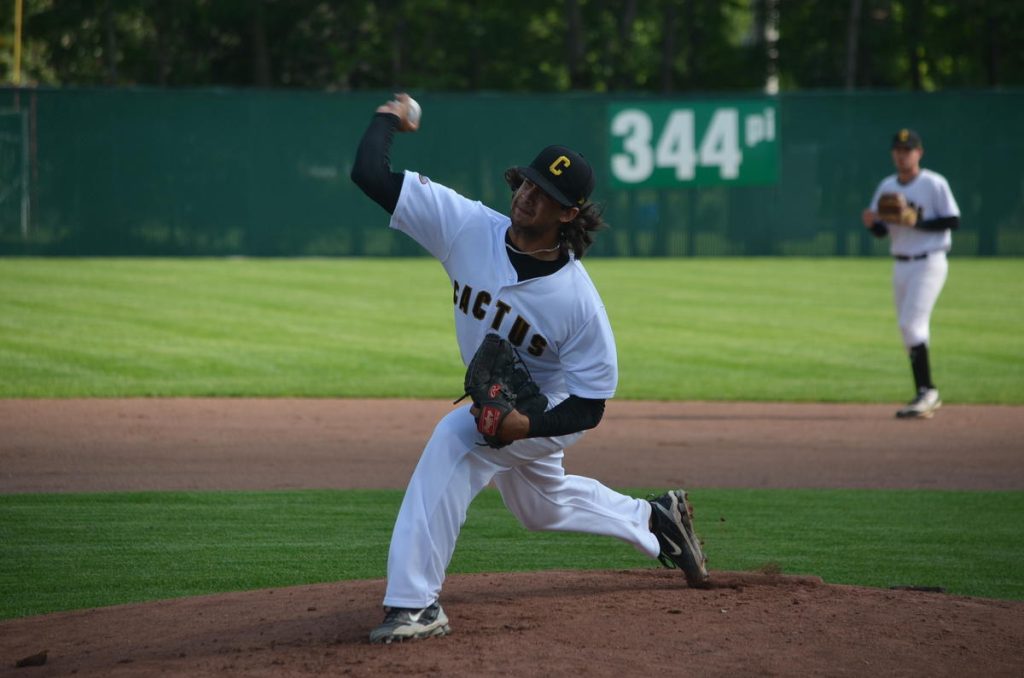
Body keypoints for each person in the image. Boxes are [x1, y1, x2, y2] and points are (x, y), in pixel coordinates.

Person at [350, 93, 709, 644]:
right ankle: (655, 519)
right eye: (529, 183)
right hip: (502, 400)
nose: (528, 197)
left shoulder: (578, 302)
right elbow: (370, 176)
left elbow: (590, 405)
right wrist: (387, 117)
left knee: (454, 439)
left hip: (548, 408)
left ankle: (414, 604)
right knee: (540, 506)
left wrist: (527, 426)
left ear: (569, 214)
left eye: (547, 195)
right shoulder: (467, 227)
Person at [861, 128, 961, 419]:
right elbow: (882, 230)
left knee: (910, 323)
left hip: (929, 261)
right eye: (898, 150)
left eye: (908, 150)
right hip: (900, 263)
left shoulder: (933, 183)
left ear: (919, 153)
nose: (902, 155)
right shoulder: (887, 185)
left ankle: (927, 391)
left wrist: (916, 222)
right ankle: (925, 393)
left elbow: (953, 220)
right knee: (910, 330)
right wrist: (872, 223)